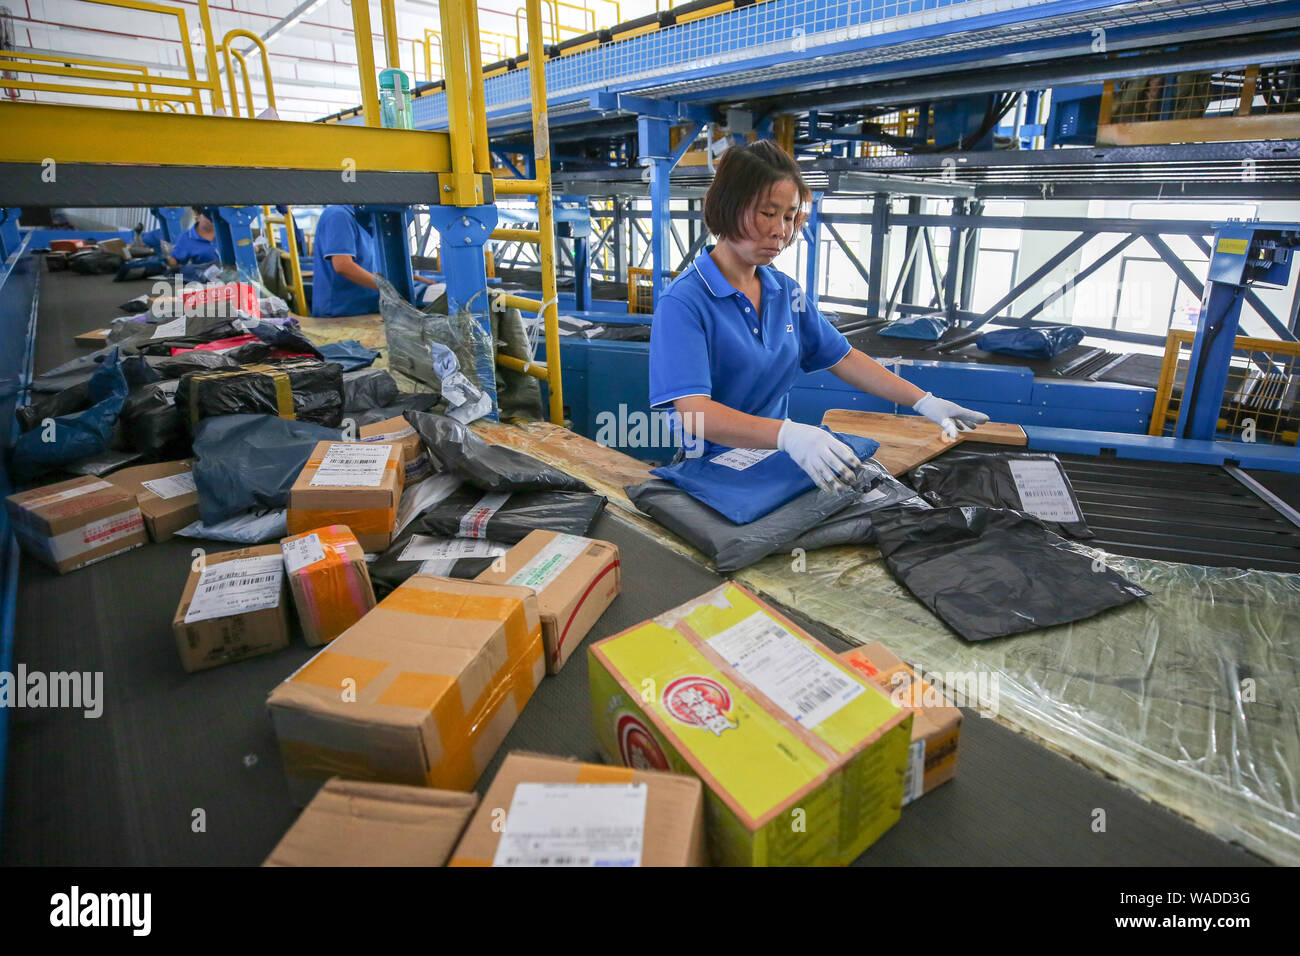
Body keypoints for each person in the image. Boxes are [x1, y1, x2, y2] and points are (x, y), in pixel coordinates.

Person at [649, 141, 988, 492]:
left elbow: (844, 358)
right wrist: (788, 434)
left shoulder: (784, 291)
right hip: (711, 467)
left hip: (771, 456)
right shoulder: (684, 302)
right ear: (729, 206)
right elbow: (694, 412)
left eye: (789, 215)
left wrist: (924, 401)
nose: (781, 230)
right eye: (767, 213)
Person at [312, 204, 382, 317]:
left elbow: (372, 266)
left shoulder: (365, 220)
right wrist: (389, 289)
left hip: (365, 309)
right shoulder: (339, 215)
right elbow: (343, 266)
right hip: (340, 313)